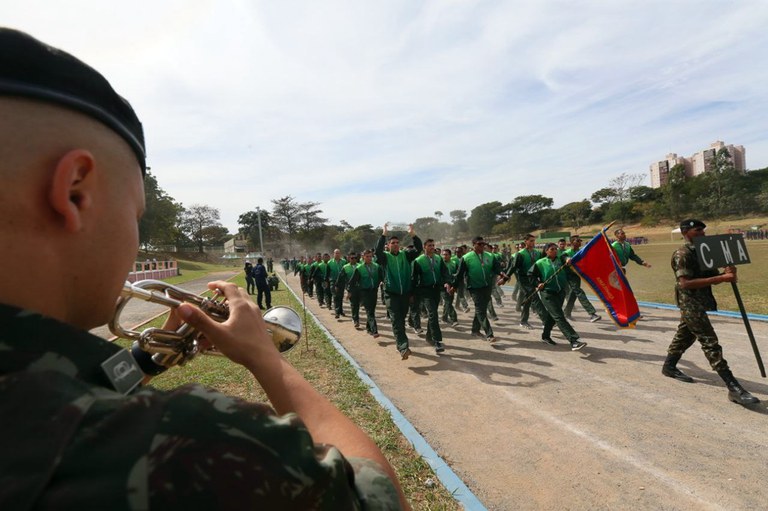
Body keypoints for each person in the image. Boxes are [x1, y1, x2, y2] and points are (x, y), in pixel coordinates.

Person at [0, 28, 405, 509]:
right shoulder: (183, 444)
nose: (133, 234)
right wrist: (266, 358)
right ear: (75, 191)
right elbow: (376, 496)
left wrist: (154, 357)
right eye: (135, 214)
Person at [662, 219, 759, 406]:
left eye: (703, 230)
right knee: (709, 341)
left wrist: (728, 272)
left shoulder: (702, 251)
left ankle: (669, 366)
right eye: (697, 230)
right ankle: (734, 388)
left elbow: (712, 277)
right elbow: (684, 283)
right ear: (685, 232)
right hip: (690, 303)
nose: (702, 233)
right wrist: (722, 277)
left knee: (685, 336)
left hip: (701, 301)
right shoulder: (682, 254)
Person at [375, 223, 423, 360]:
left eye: (397, 242)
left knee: (401, 320)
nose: (395, 244)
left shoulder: (406, 255)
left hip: (405, 294)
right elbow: (377, 250)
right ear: (388, 245)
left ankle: (401, 343)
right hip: (391, 294)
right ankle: (403, 347)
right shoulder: (384, 257)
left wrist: (412, 233)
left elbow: (419, 248)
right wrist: (384, 234)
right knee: (396, 320)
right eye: (392, 243)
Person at [530, 243, 587, 351]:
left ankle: (545, 336)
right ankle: (574, 340)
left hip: (560, 292)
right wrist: (538, 284)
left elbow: (565, 257)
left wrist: (568, 259)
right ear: (546, 251)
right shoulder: (540, 263)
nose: (555, 250)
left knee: (553, 317)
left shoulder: (561, 260)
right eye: (552, 249)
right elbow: (531, 276)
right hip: (547, 293)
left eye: (556, 249)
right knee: (559, 316)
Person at [452, 236, 504, 343]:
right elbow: (459, 274)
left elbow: (496, 268)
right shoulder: (466, 258)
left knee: (481, 309)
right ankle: (489, 334)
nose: (482, 246)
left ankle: (475, 330)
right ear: (474, 245)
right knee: (481, 310)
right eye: (479, 244)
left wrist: (502, 273)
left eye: (483, 244)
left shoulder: (490, 256)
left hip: (487, 286)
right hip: (474, 288)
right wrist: (454, 286)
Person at [411, 239, 452, 353]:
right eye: (429, 245)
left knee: (432, 315)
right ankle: (437, 341)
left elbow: (445, 272)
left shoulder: (438, 258)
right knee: (433, 314)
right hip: (425, 291)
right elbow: (413, 279)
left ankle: (429, 337)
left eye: (433, 245)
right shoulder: (418, 261)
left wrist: (447, 282)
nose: (432, 247)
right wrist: (412, 294)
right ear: (424, 247)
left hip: (436, 290)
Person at [509, 234, 545, 330]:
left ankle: (523, 321)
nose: (533, 243)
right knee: (535, 298)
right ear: (526, 242)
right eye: (531, 241)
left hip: (533, 279)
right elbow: (513, 267)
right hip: (523, 280)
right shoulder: (520, 254)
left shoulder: (537, 253)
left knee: (528, 300)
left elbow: (540, 266)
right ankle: (546, 320)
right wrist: (505, 277)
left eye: (534, 241)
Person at [562, 236, 601, 322]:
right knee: (579, 292)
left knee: (573, 294)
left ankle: (567, 313)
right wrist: (567, 259)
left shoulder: (581, 252)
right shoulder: (567, 252)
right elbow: (564, 258)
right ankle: (592, 313)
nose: (579, 242)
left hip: (577, 276)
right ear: (572, 242)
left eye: (580, 241)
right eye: (577, 241)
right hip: (569, 277)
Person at [349, 249, 384, 338]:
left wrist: (381, 282)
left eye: (370, 256)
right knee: (369, 311)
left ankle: (368, 328)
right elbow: (352, 282)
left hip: (374, 291)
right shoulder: (359, 268)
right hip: (364, 292)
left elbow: (382, 277)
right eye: (367, 256)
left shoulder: (376, 266)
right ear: (363, 257)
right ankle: (374, 330)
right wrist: (350, 292)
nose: (369, 258)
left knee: (372, 310)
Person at [440, 248, 459, 327]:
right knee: (448, 302)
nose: (444, 256)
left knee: (449, 302)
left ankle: (444, 317)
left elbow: (457, 275)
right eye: (443, 254)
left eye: (446, 254)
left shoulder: (454, 263)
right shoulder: (439, 263)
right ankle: (454, 319)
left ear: (450, 255)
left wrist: (455, 286)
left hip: (452, 285)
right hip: (442, 286)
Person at [327, 248, 346, 318]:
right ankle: (337, 312)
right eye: (336, 253)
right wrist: (326, 281)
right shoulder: (330, 263)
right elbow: (327, 273)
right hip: (333, 281)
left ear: (340, 254)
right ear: (333, 254)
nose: (337, 254)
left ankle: (340, 311)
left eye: (338, 253)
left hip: (341, 282)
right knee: (335, 296)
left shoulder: (344, 262)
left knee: (340, 296)